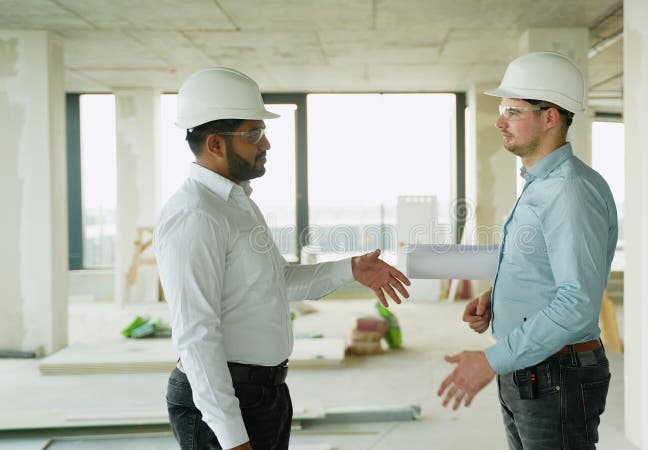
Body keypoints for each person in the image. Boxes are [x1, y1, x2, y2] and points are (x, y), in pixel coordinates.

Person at [154, 67, 411, 450]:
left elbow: (277, 282)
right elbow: (196, 335)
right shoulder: (195, 215)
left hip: (265, 395)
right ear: (214, 144)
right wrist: (231, 437)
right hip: (225, 406)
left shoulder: (237, 203)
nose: (266, 144)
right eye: (253, 134)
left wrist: (351, 269)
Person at [437, 52, 618, 449]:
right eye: (502, 109)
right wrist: (499, 299)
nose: (500, 121)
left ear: (550, 116)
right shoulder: (541, 184)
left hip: (556, 373)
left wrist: (490, 360)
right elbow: (546, 271)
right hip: (533, 367)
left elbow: (576, 303)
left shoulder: (568, 192)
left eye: (512, 111)